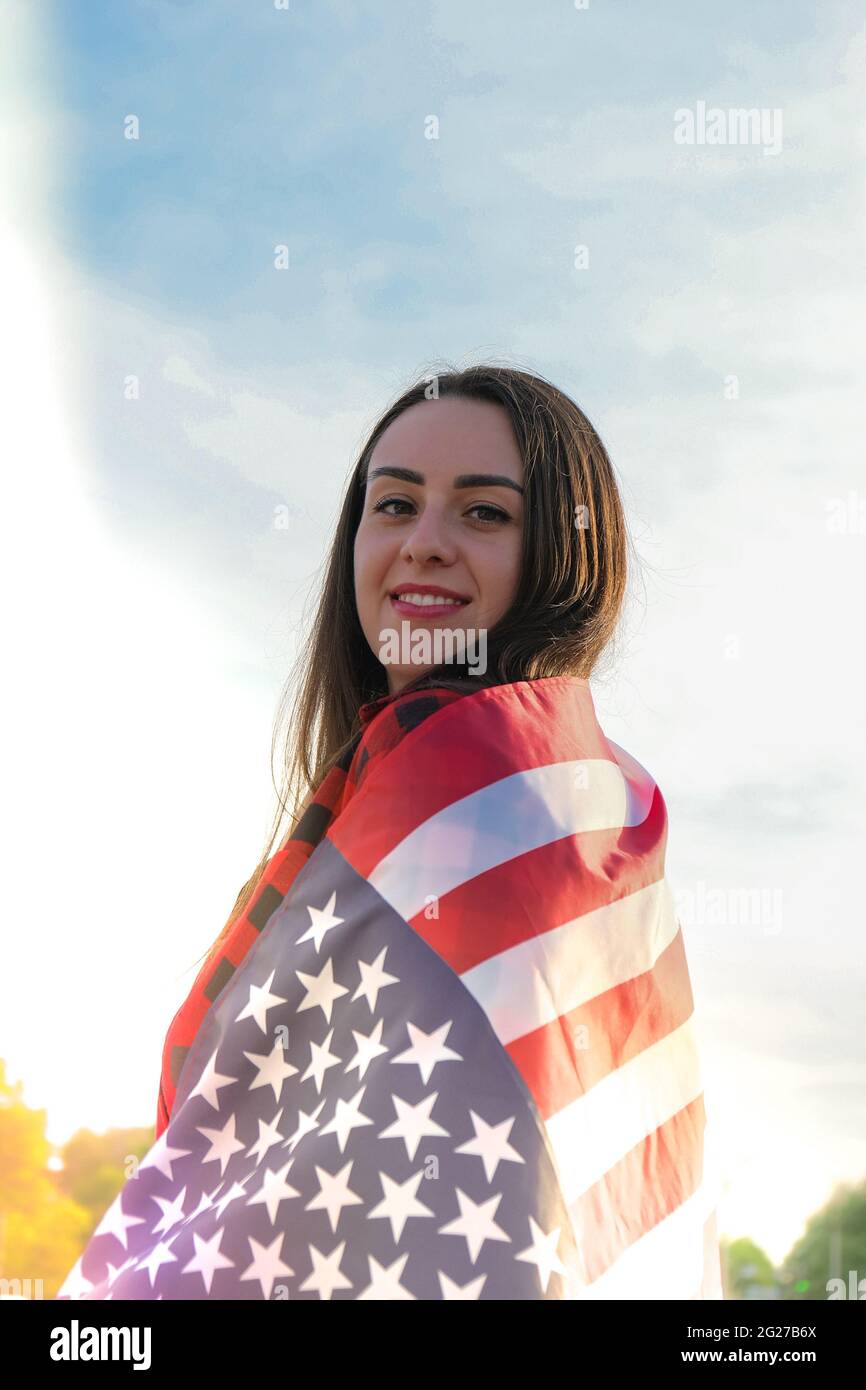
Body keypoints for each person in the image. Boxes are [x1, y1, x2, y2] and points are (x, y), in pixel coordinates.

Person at [59, 363, 722, 1300]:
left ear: (562, 557)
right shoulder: (432, 790)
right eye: (394, 505)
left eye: (485, 514)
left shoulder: (500, 802)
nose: (424, 544)